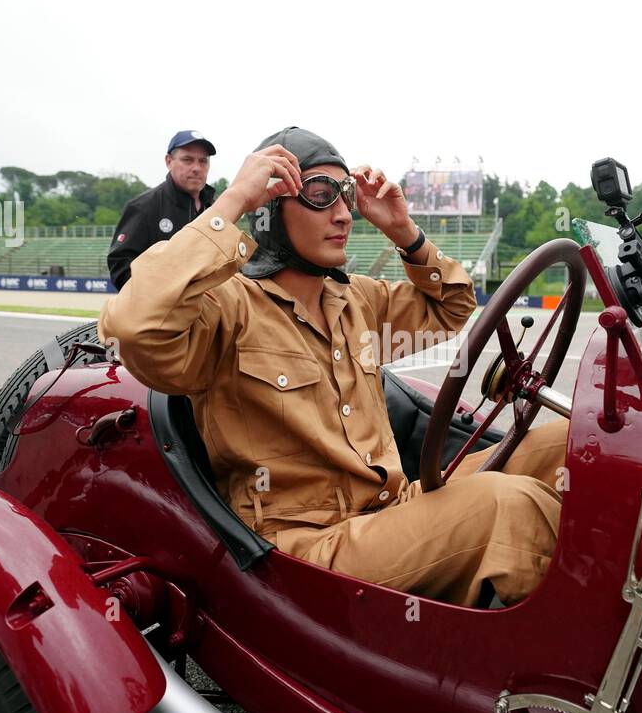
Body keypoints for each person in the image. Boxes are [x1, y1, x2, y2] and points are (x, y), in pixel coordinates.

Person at [98, 127, 565, 607]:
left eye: (346, 197)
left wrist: (404, 230)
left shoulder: (354, 298)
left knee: (572, 447)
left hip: (393, 508)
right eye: (321, 196)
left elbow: (452, 306)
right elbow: (133, 328)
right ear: (271, 211)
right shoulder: (227, 308)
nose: (344, 214)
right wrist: (235, 198)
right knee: (509, 507)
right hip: (307, 546)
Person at [107, 130, 218, 290]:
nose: (196, 168)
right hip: (163, 310)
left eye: (203, 161)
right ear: (168, 161)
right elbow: (121, 267)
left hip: (209, 308)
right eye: (187, 160)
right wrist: (164, 294)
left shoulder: (214, 210)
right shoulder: (143, 207)